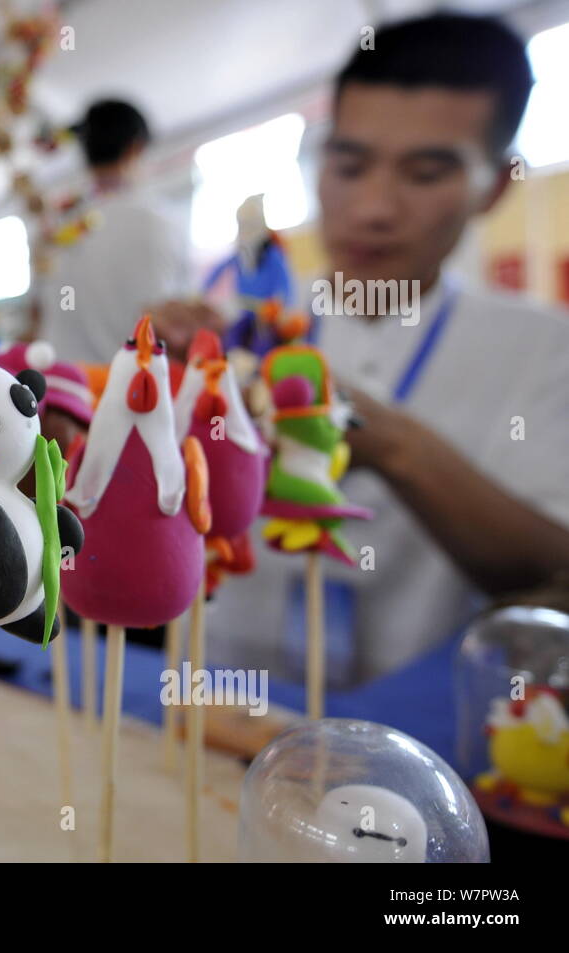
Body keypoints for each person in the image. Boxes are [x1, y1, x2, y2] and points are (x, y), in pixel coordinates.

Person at [153, 13, 569, 681]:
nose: (373, 208)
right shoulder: (238, 331)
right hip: (213, 702)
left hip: (432, 742)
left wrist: (392, 445)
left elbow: (554, 571)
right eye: (349, 165)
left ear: (494, 185)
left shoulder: (546, 348)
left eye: (425, 174)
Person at [30, 98, 191, 364]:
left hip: (61, 391)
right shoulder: (161, 223)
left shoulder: (52, 227)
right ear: (135, 148)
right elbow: (175, 328)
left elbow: (36, 316)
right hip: (136, 394)